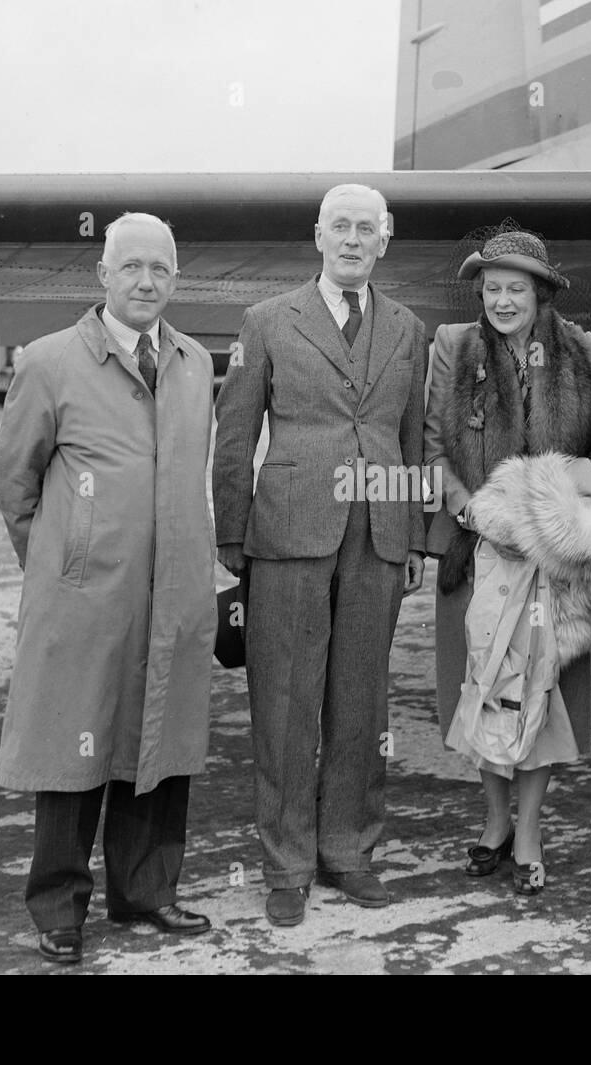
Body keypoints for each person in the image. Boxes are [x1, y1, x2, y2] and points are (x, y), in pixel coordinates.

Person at [0, 212, 217, 963]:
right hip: (87, 600)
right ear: (103, 277)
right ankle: (58, 908)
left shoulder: (191, 363)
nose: (146, 281)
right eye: (131, 268)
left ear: (175, 279)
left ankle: (146, 889)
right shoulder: (52, 362)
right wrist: (66, 561)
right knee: (73, 748)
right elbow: (13, 482)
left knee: (158, 740)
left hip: (173, 591)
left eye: (160, 269)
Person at [213, 183, 428, 927]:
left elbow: (413, 434)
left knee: (361, 700)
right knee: (284, 702)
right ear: (317, 235)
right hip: (289, 534)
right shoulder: (266, 321)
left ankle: (348, 849)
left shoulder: (407, 326)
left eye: (367, 229)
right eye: (340, 226)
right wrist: (231, 540)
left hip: (377, 536)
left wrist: (415, 535)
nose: (352, 239)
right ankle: (286, 863)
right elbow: (234, 437)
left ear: (385, 238)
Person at [425, 229, 591, 894]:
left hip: (556, 565)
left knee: (548, 698)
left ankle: (530, 831)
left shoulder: (582, 350)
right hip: (477, 554)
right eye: (492, 287)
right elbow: (432, 448)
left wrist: (584, 496)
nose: (503, 299)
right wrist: (469, 510)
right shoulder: (452, 347)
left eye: (517, 287)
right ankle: (493, 819)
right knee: (482, 691)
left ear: (542, 293)